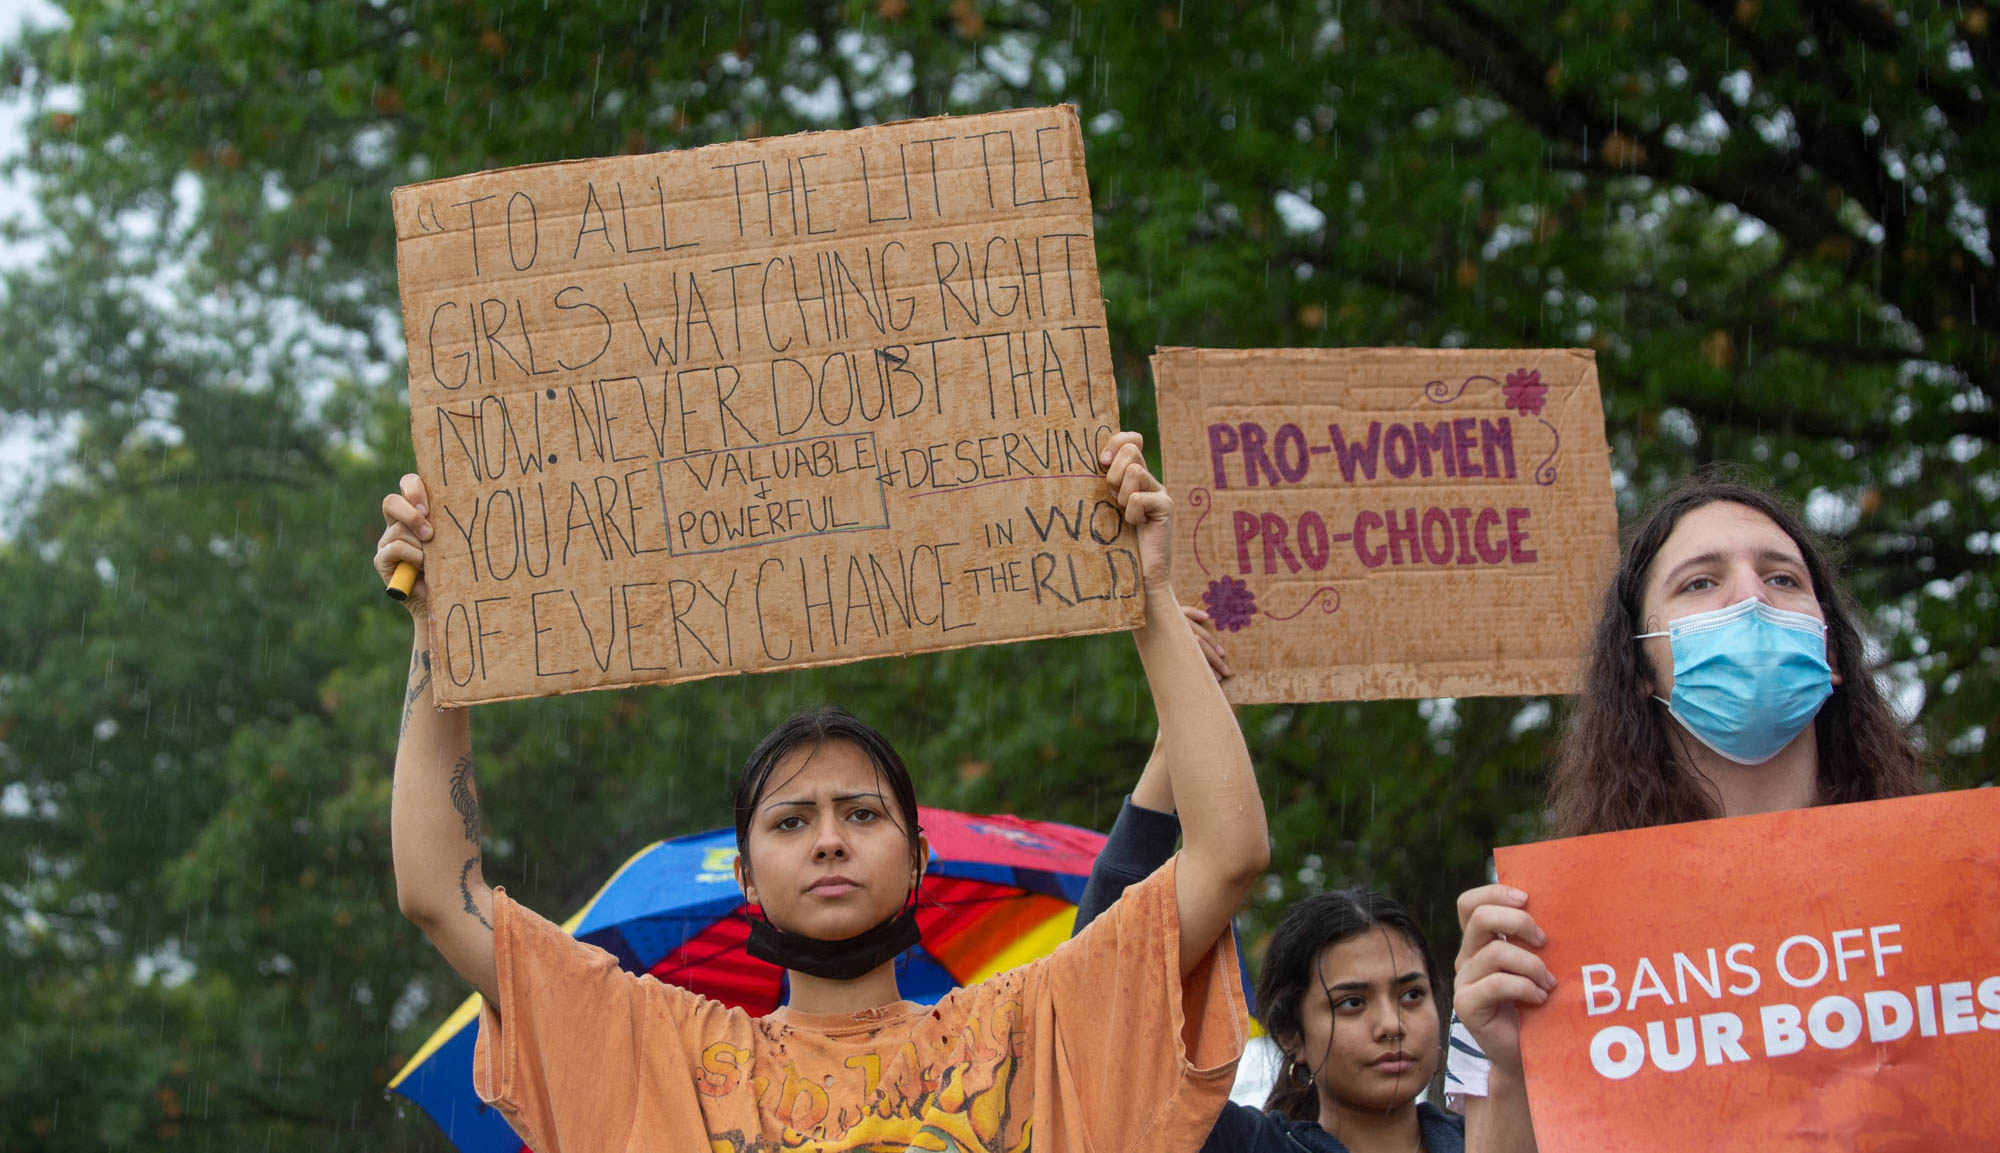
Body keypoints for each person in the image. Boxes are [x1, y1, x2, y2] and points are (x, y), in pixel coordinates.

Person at [373, 430, 1271, 1153]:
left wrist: (1150, 596)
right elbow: (438, 895)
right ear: (747, 876)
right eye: (792, 820)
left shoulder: (1031, 1024)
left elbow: (1229, 856)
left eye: (863, 813)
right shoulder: (662, 1051)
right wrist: (436, 631)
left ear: (917, 858)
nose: (830, 838)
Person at [1446, 475, 1926, 1152]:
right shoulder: (1538, 937)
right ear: (1640, 664)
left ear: (1832, 650)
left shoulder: (1956, 893)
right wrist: (1516, 1070)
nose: (1752, 599)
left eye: (1783, 578)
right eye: (1700, 583)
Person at [1072, 622, 1464, 1153]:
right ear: (1290, 1036)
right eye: (1351, 1003)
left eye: (1412, 995)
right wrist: (1176, 741)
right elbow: (1101, 985)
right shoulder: (1247, 1147)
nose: (1392, 1025)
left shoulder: (1509, 1135)